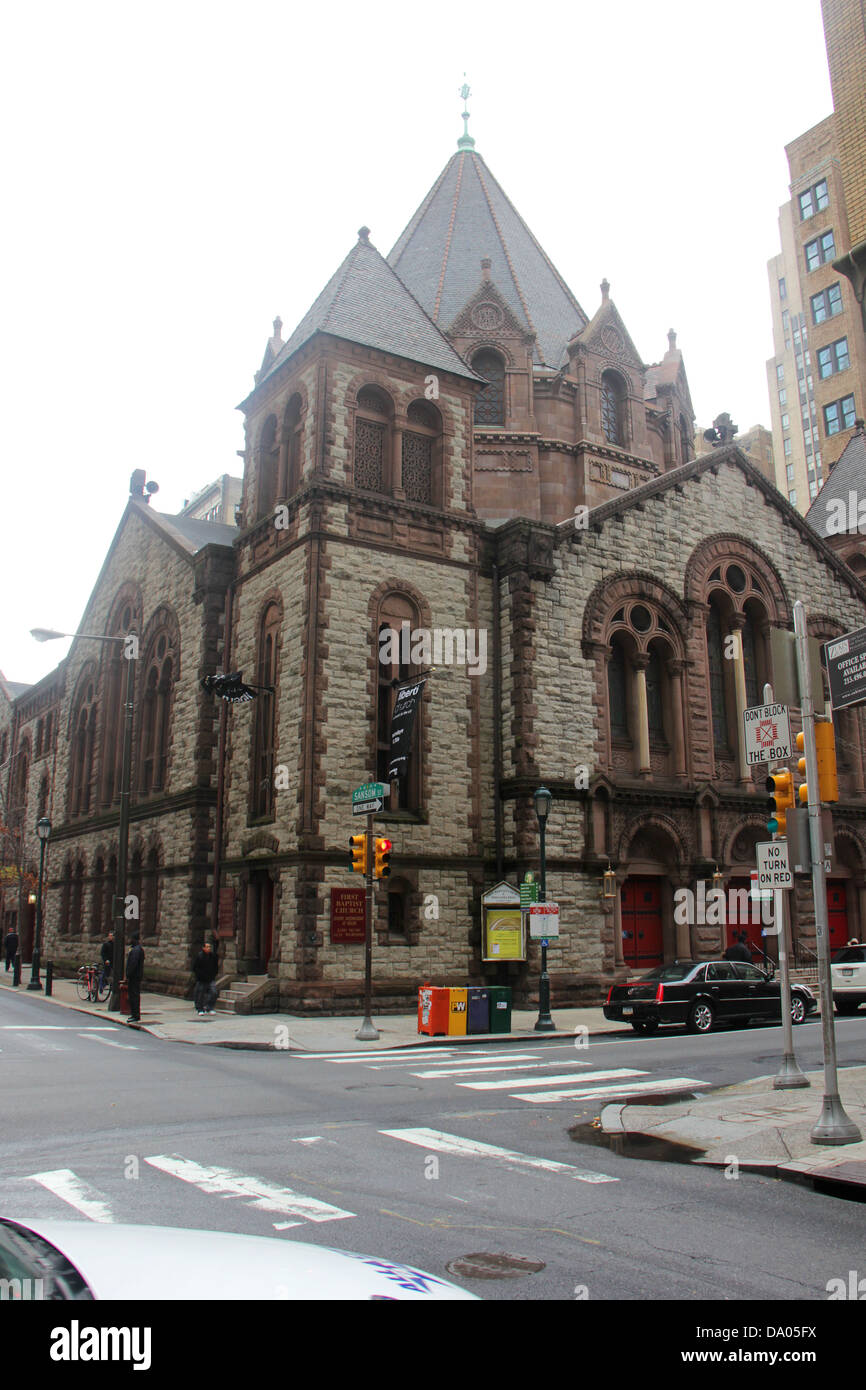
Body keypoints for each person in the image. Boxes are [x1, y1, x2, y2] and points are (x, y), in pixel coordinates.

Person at [192, 941, 219, 1016]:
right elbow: (195, 968)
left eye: (209, 947)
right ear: (203, 948)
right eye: (207, 947)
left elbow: (215, 966)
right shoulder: (199, 956)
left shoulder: (213, 956)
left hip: (211, 978)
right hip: (202, 979)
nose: (209, 948)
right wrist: (200, 976)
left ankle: (209, 1007)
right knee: (200, 994)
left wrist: (214, 974)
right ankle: (200, 1009)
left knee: (214, 992)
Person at [125, 932, 145, 1024]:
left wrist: (128, 974)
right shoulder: (136, 949)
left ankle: (135, 1015)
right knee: (134, 995)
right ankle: (134, 1014)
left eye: (131, 939)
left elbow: (133, 964)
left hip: (134, 977)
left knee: (134, 996)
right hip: (136, 976)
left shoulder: (136, 950)